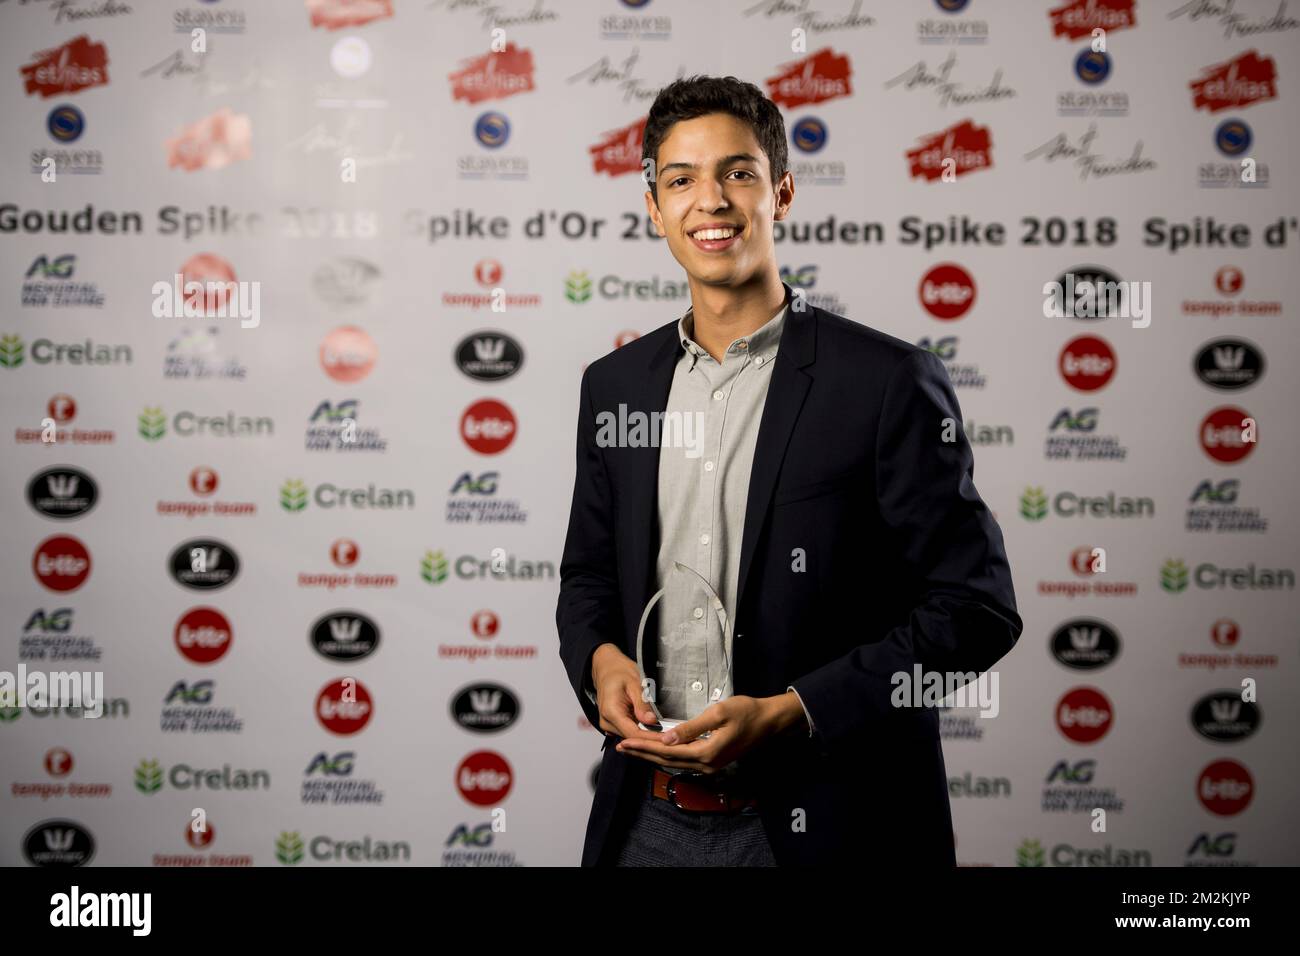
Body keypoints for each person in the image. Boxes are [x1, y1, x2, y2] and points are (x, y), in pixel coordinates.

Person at [556, 75, 1021, 866]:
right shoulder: (616, 386)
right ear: (654, 208)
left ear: (782, 193)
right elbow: (588, 580)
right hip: (646, 825)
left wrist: (797, 710)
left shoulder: (885, 382)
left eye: (738, 173)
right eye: (681, 180)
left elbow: (975, 610)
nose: (711, 201)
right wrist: (600, 661)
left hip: (832, 827)